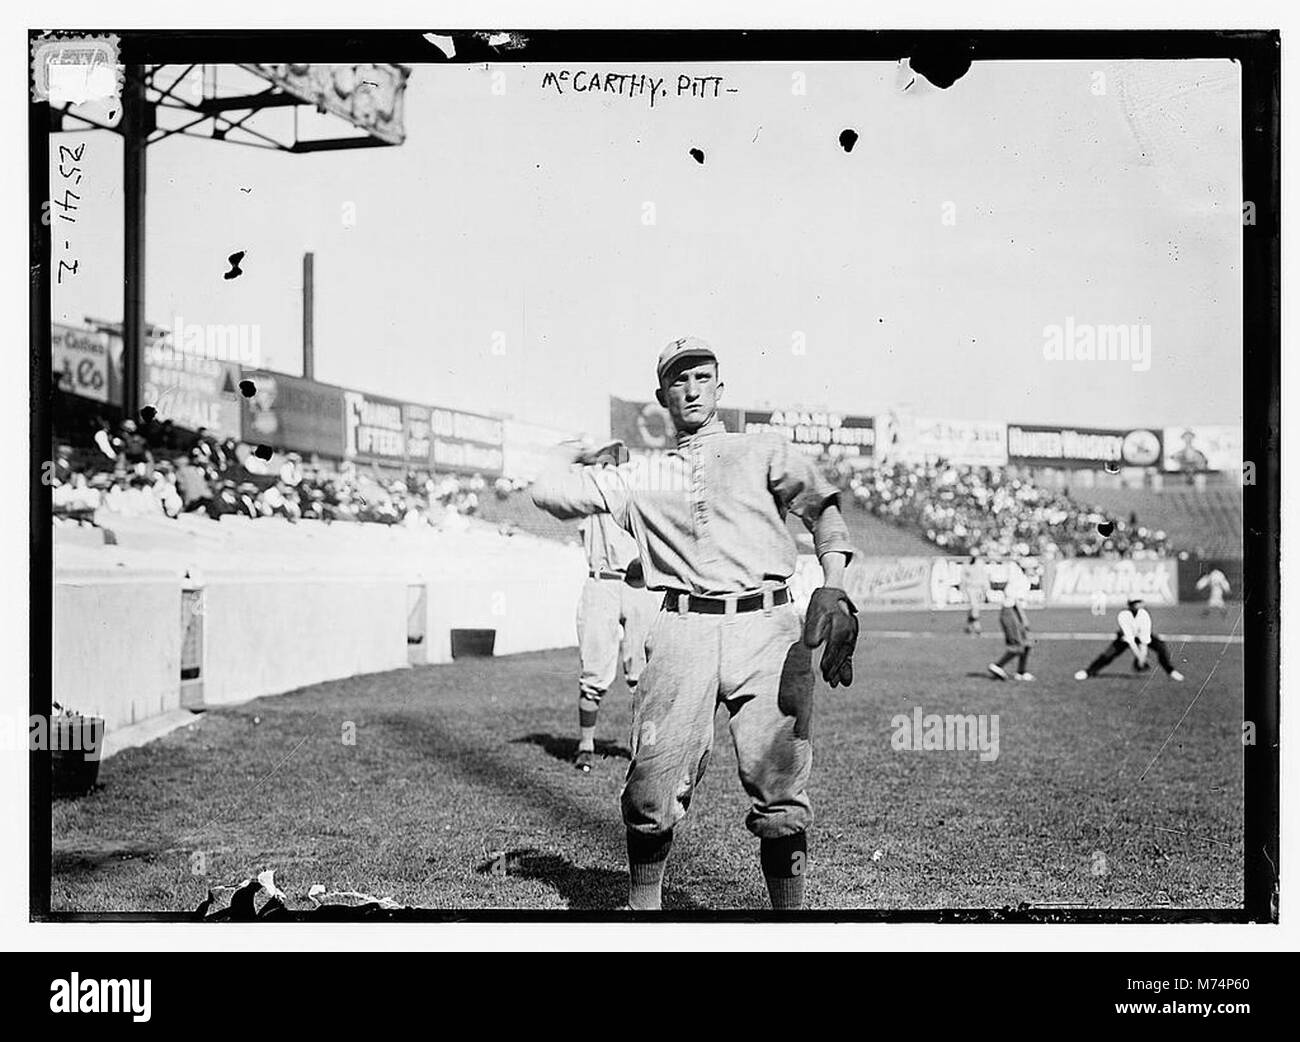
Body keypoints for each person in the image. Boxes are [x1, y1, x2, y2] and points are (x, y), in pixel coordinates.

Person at [531, 336, 859, 911]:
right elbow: (550, 493)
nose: (691, 388)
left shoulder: (762, 451)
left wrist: (833, 586)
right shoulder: (645, 475)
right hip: (683, 627)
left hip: (769, 627)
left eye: (702, 377)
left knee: (781, 793)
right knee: (652, 786)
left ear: (719, 388)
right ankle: (644, 909)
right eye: (679, 380)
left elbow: (823, 509)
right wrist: (564, 454)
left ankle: (791, 922)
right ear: (662, 396)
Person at [570, 445, 662, 773]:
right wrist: (596, 455)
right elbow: (571, 471)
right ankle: (585, 745)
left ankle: (642, 748)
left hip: (637, 585)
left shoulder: (639, 493)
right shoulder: (591, 489)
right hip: (601, 581)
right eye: (611, 464)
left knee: (643, 673)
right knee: (594, 669)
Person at [1075, 598, 1185, 681]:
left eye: (1139, 602)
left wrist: (1142, 658)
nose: (1137, 605)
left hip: (1141, 637)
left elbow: (1144, 640)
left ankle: (1171, 671)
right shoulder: (1123, 615)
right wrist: (1140, 658)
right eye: (1134, 603)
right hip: (1125, 638)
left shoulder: (1144, 615)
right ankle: (1088, 672)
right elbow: (1131, 641)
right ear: (1130, 605)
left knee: (1161, 647)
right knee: (1108, 654)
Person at [988, 558, 1034, 681]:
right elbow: (1016, 602)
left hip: (1013, 612)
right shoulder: (1021, 580)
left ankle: (1021, 672)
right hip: (1011, 612)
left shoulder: (1020, 578)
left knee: (1028, 643)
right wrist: (1024, 619)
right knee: (1018, 645)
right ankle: (998, 666)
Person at [961, 554, 989, 635]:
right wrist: (964, 587)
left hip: (979, 588)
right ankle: (977, 626)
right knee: (974, 607)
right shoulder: (966, 564)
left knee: (974, 608)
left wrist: (985, 589)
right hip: (971, 588)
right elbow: (963, 577)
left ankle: (969, 626)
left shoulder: (980, 563)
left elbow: (984, 576)